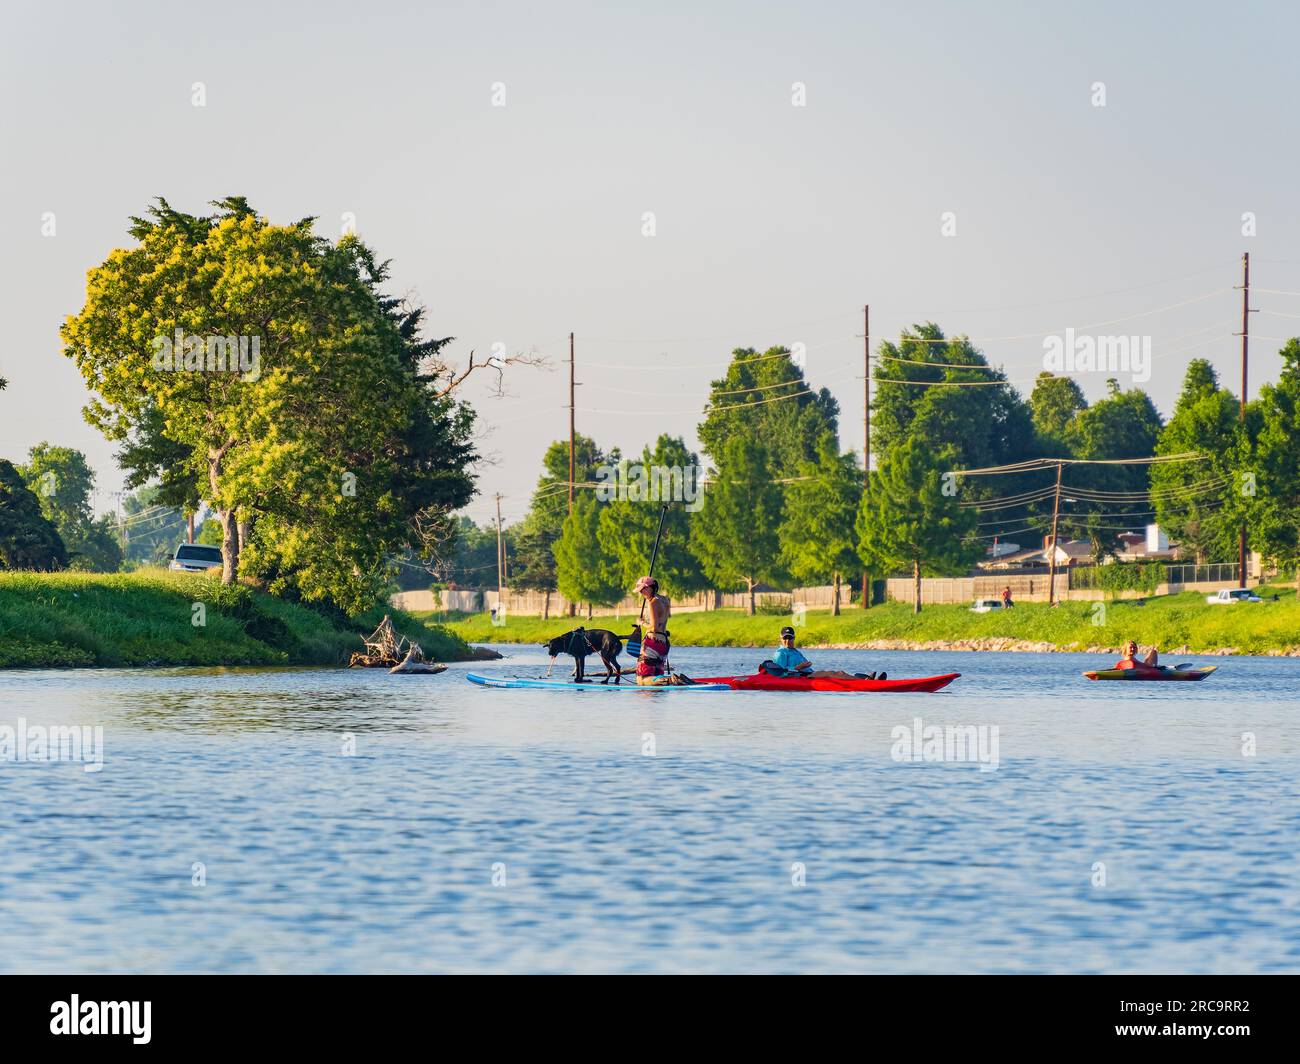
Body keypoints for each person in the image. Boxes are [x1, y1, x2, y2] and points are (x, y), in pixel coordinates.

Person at [764, 627, 885, 681]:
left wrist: (804, 666)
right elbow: (781, 673)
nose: (787, 640)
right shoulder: (780, 653)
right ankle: (866, 683)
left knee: (840, 673)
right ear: (780, 638)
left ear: (794, 638)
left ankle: (864, 678)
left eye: (790, 638)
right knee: (837, 673)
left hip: (807, 673)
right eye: (785, 638)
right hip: (802, 676)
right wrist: (799, 667)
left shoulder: (794, 651)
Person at [633, 576, 688, 685]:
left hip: (652, 642)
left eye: (643, 589)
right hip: (663, 643)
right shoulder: (665, 599)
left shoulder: (652, 602)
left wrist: (641, 622)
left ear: (651, 588)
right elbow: (664, 619)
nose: (641, 593)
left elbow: (654, 627)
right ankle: (669, 681)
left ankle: (671, 680)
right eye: (640, 590)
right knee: (656, 675)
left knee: (641, 680)